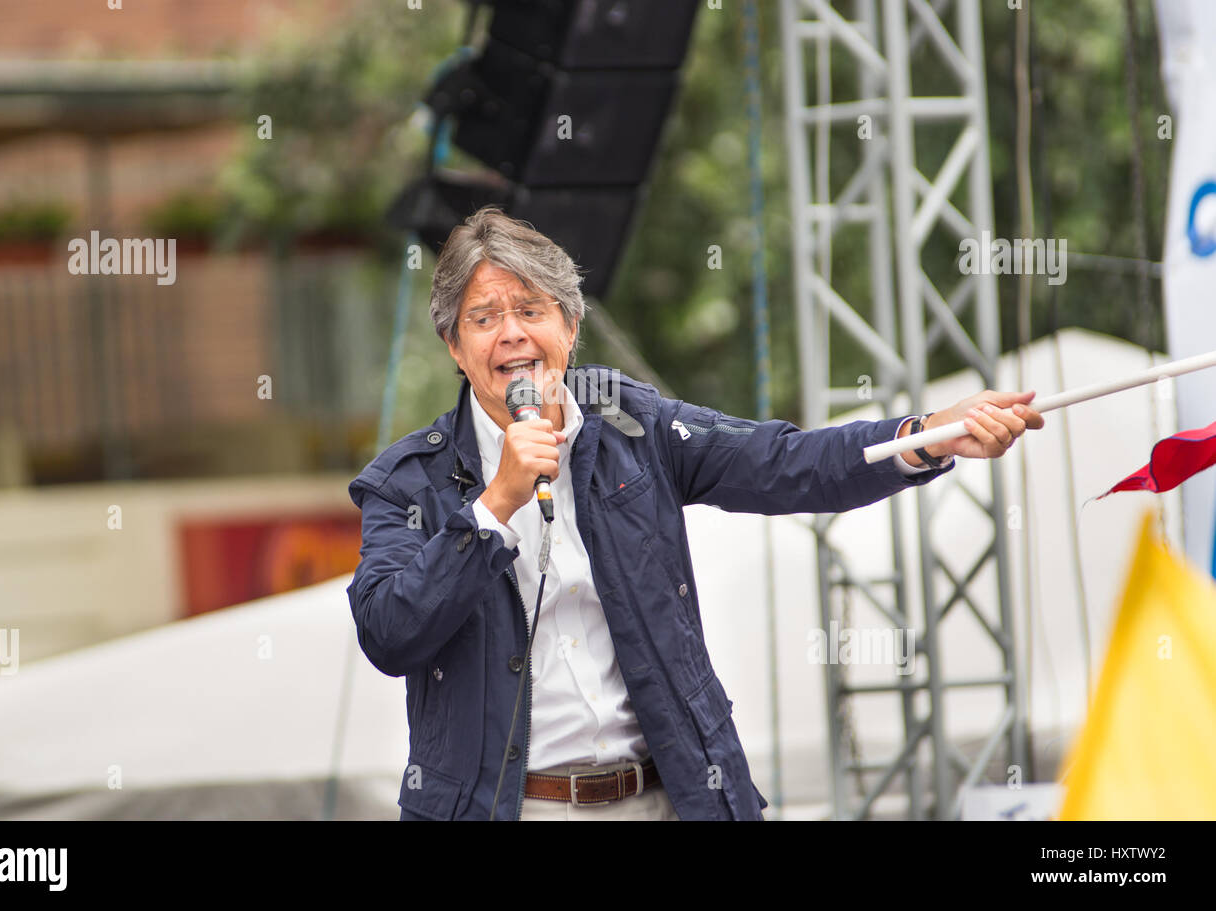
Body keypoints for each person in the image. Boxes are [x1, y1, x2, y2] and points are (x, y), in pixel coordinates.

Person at [347, 207, 1044, 820]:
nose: (511, 335)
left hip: (669, 795)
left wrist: (924, 436)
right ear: (454, 345)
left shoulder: (631, 423)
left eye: (531, 309)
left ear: (571, 324)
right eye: (484, 317)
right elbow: (389, 631)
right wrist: (495, 505)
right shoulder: (409, 481)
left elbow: (785, 463)